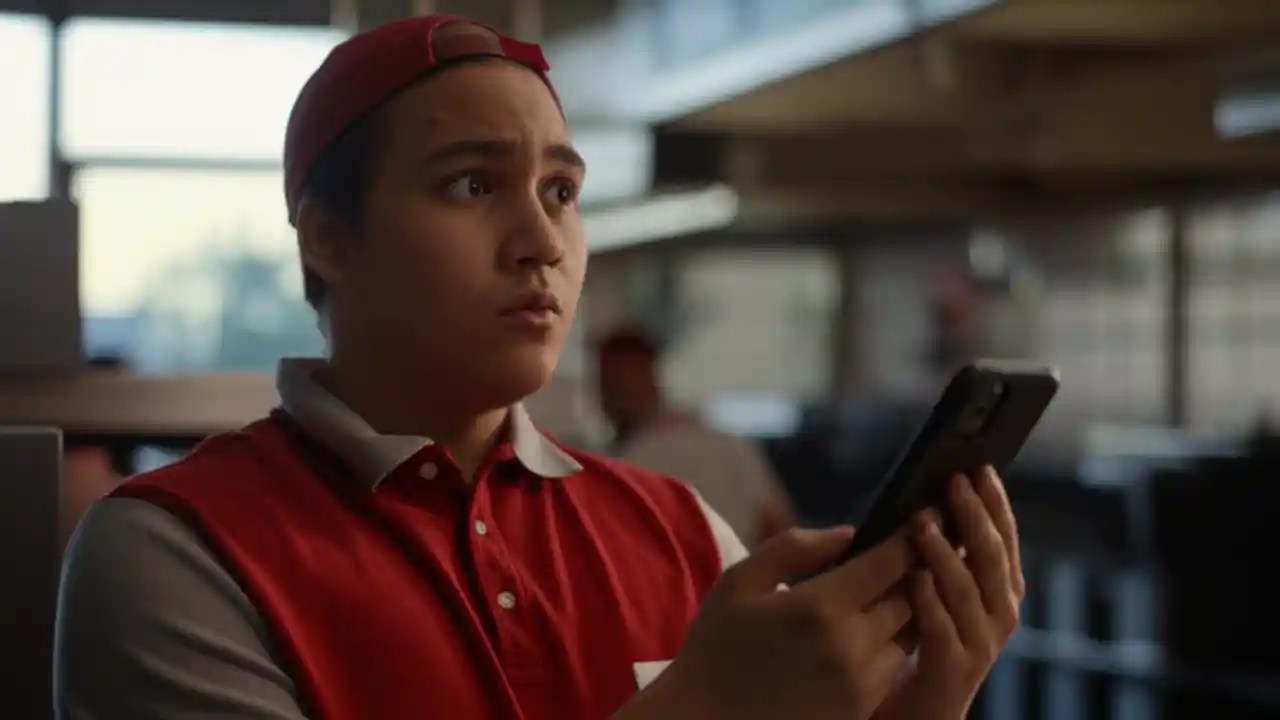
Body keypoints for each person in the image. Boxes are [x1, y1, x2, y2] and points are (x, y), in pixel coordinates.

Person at [54, 14, 1026, 720]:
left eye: (560, 190)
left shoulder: (679, 532)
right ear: (329, 241)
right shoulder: (176, 553)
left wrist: (924, 701)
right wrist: (702, 707)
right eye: (472, 184)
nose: (540, 241)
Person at [594, 324, 795, 548]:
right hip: (743, 577)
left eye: (605, 385)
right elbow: (778, 529)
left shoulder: (630, 463)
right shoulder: (729, 444)